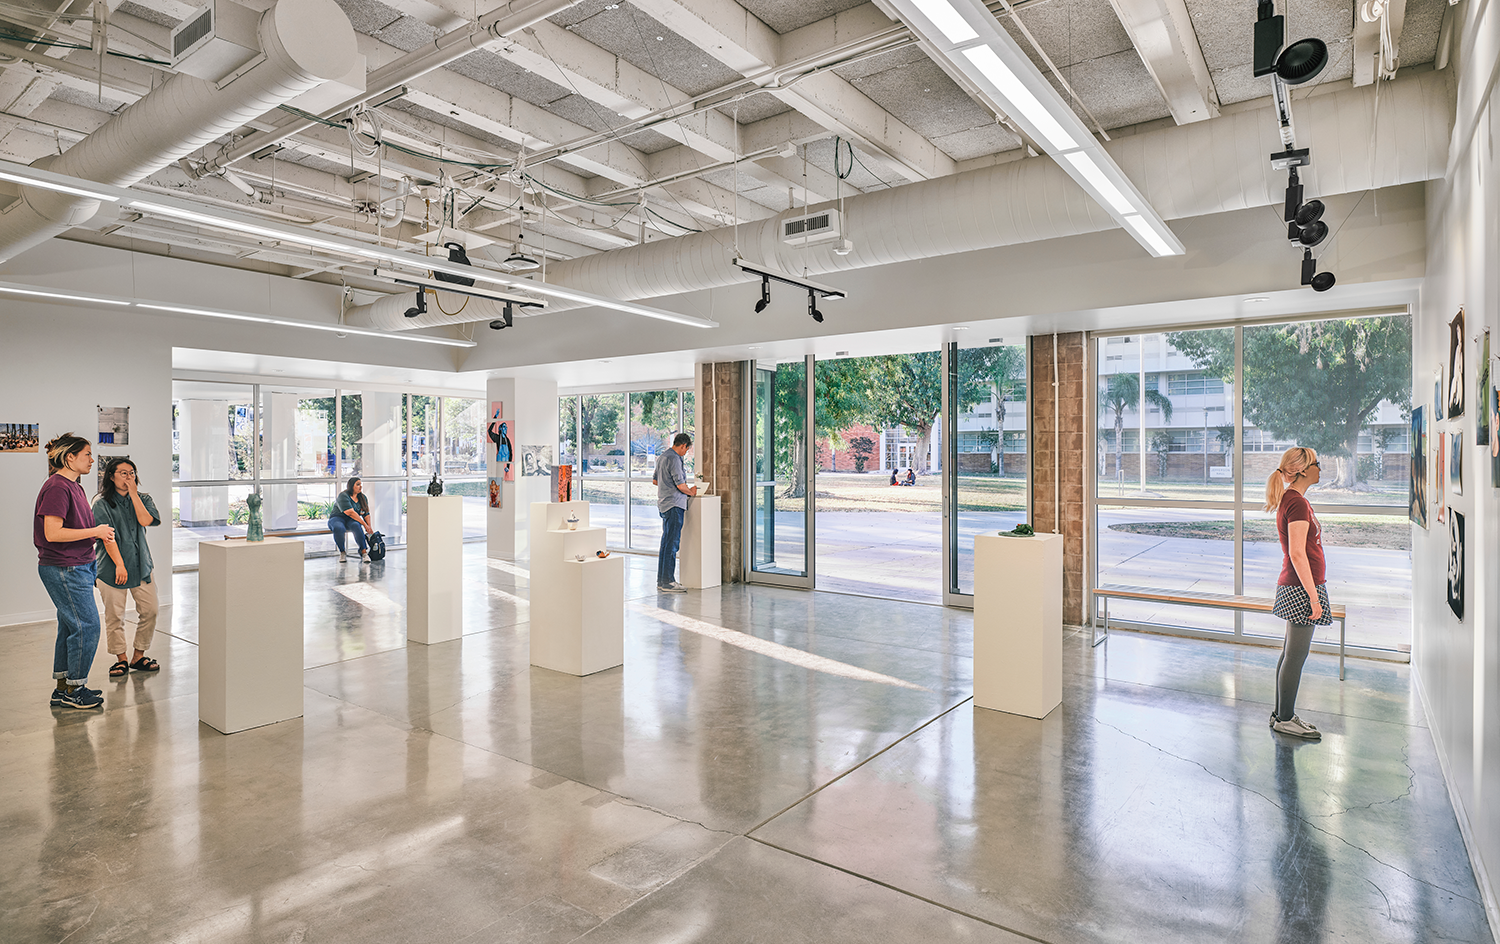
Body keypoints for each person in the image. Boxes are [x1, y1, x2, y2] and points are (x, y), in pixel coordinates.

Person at [36, 434, 115, 710]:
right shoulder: (58, 487)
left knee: (71, 626)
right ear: (70, 457)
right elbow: (53, 533)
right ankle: (75, 690)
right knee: (88, 626)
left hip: (76, 565)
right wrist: (96, 531)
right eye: (87, 454)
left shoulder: (74, 486)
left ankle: (64, 688)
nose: (92, 460)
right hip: (65, 567)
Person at [1265, 446, 1329, 740]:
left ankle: (1282, 714)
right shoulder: (1296, 502)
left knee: (1290, 653)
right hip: (1301, 587)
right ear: (1303, 470)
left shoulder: (1293, 499)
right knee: (1295, 655)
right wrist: (1313, 597)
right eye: (1317, 463)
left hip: (1298, 585)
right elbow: (1297, 553)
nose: (1320, 468)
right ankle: (1285, 719)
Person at [92, 457, 162, 678]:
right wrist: (120, 565)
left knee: (150, 610)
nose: (129, 477)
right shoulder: (101, 503)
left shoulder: (144, 499)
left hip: (141, 565)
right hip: (111, 567)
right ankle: (120, 659)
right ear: (111, 476)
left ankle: (138, 656)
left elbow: (145, 521)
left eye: (132, 473)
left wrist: (134, 494)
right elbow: (107, 537)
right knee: (115, 616)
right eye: (123, 473)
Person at [654, 432, 697, 593]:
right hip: (674, 505)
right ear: (683, 445)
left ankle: (662, 581)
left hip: (664, 504)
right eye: (686, 449)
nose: (685, 453)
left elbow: (655, 481)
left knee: (666, 544)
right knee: (672, 544)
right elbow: (680, 485)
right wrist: (691, 492)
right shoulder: (675, 458)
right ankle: (668, 582)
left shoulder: (663, 457)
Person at [330, 476, 373, 562]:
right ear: (351, 486)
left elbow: (366, 514)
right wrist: (364, 525)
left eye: (361, 484)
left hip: (351, 520)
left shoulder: (363, 498)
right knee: (339, 527)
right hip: (337, 517)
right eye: (358, 484)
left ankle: (364, 553)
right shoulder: (343, 496)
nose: (360, 486)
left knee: (356, 525)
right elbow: (350, 512)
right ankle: (342, 552)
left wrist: (369, 527)